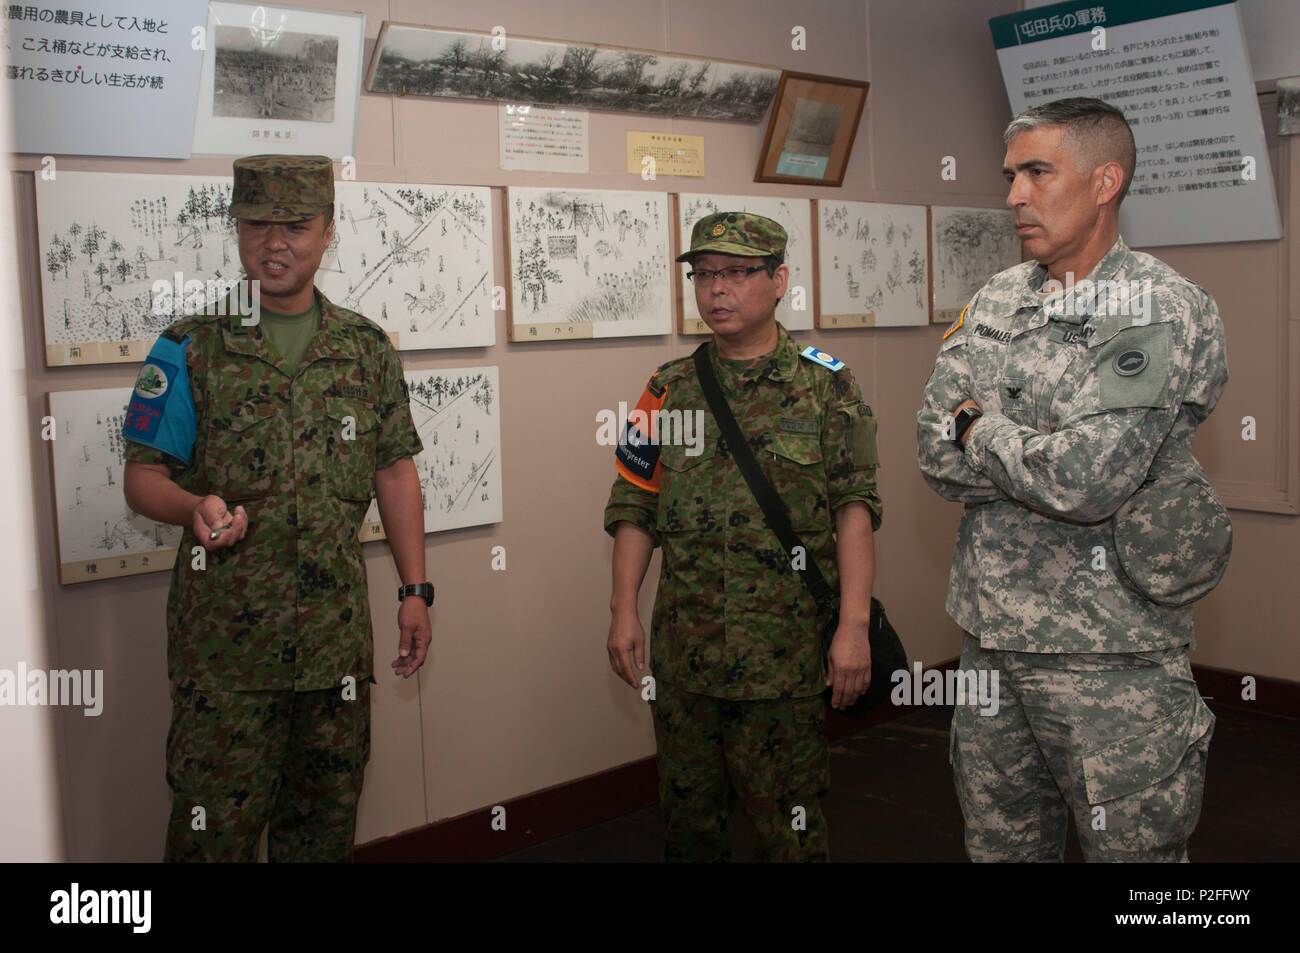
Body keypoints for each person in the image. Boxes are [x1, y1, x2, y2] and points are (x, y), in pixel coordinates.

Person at [916, 98, 1230, 862]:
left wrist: (980, 427)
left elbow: (1087, 480)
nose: (1014, 194)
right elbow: (932, 446)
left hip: (1110, 656)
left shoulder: (1157, 308)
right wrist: (1031, 450)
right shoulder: (998, 298)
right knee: (1001, 848)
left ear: (1104, 181)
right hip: (991, 642)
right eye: (1010, 174)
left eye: (1037, 171)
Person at [122, 155, 433, 862]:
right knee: (212, 841)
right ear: (237, 231)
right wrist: (192, 504)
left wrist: (415, 590)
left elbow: (394, 467)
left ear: (328, 231)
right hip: (226, 657)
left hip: (333, 653)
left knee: (321, 836)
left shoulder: (365, 349)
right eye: (257, 223)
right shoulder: (189, 347)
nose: (275, 241)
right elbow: (142, 476)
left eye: (295, 224)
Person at [603, 212, 882, 861]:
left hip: (782, 665)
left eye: (734, 273)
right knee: (690, 830)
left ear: (779, 279)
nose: (716, 290)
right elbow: (635, 503)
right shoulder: (667, 390)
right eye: (703, 274)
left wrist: (854, 625)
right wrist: (622, 608)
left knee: (792, 835)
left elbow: (855, 509)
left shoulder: (826, 383)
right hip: (685, 664)